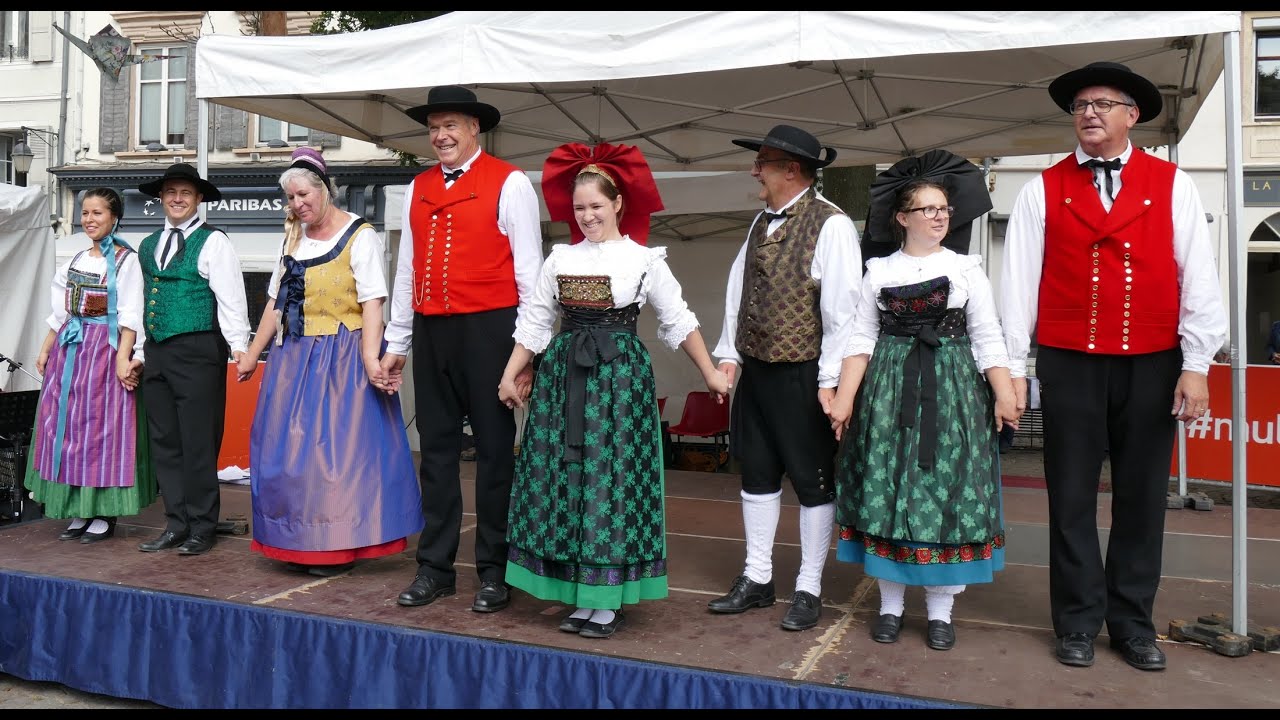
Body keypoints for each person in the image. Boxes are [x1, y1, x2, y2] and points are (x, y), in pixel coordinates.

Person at [1001, 61, 1228, 671]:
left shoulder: (1174, 183)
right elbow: (1018, 285)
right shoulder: (1039, 190)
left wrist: (1197, 362)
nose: (1089, 113)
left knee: (1143, 498)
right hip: (1069, 362)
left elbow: (1198, 278)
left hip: (1154, 362)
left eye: (1102, 103)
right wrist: (1011, 368)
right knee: (1070, 496)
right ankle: (1076, 622)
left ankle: (1132, 624)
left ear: (1133, 114)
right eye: (1079, 106)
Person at [498, 142, 731, 638]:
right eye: (579, 207)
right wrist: (511, 371)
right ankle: (576, 594)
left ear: (618, 204)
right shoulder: (559, 259)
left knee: (611, 485)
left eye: (596, 206)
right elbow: (535, 321)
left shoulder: (644, 260)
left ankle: (607, 599)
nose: (586, 216)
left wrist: (710, 373)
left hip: (619, 385)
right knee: (566, 482)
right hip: (564, 382)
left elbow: (678, 320)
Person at [827, 179, 1018, 651]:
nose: (939, 217)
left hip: (951, 392)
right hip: (889, 393)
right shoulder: (879, 271)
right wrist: (845, 398)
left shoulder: (966, 269)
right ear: (902, 217)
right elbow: (860, 340)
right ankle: (890, 606)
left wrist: (1004, 393)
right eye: (927, 209)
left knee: (946, 495)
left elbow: (988, 336)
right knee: (889, 492)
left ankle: (940, 612)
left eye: (944, 209)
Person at [381, 85, 544, 612]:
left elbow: (531, 277)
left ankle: (495, 571)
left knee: (497, 454)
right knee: (437, 451)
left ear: (475, 128)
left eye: (451, 124)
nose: (441, 135)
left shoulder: (511, 182)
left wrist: (526, 355)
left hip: (492, 332)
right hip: (433, 331)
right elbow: (406, 271)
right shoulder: (418, 185)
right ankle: (435, 568)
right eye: (434, 127)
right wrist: (397, 341)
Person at [235, 148, 424, 578]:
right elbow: (275, 303)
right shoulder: (292, 238)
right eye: (290, 198)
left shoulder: (361, 236)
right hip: (294, 356)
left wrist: (370, 358)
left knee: (335, 459)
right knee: (288, 454)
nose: (297, 204)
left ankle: (333, 546)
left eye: (303, 195)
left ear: (325, 191)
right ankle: (297, 540)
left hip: (341, 357)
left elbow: (373, 301)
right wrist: (252, 353)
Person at [708, 124, 864, 632]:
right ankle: (757, 578)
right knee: (756, 476)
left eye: (763, 162)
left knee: (813, 481)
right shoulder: (760, 222)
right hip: (758, 373)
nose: (755, 170)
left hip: (804, 375)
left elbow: (843, 311)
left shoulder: (832, 225)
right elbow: (739, 290)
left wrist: (831, 381)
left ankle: (809, 587)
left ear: (790, 170)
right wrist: (728, 354)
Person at [24, 187, 156, 543]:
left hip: (103, 351)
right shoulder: (76, 259)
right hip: (71, 350)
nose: (89, 220)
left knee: (103, 430)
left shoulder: (127, 261)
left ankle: (105, 512)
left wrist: (124, 358)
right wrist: (45, 348)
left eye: (97, 213)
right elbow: (61, 312)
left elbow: (131, 316)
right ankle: (79, 509)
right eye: (85, 213)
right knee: (68, 430)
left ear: (114, 217)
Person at [134, 163, 251, 557]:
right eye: (170, 192)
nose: (177, 198)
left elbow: (231, 297)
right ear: (161, 198)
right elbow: (140, 302)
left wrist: (239, 346)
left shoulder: (213, 241)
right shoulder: (148, 244)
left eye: (185, 192)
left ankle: (203, 526)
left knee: (198, 442)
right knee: (165, 442)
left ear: (199, 198)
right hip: (157, 351)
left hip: (199, 349)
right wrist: (137, 352)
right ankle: (176, 523)